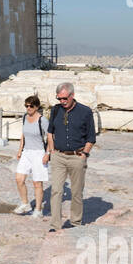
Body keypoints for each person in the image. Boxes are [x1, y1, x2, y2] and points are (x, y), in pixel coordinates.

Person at [47, 82, 96, 230]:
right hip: (58, 157)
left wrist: (84, 155)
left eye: (64, 98)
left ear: (72, 95)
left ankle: (75, 223)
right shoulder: (55, 110)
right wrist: (52, 151)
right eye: (59, 99)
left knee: (76, 192)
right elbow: (50, 132)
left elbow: (91, 137)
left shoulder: (85, 112)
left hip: (77, 157)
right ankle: (55, 225)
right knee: (56, 190)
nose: (62, 101)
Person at [12, 96, 51, 216]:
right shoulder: (24, 117)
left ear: (37, 107)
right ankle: (25, 203)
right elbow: (23, 135)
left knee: (37, 183)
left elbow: (50, 137)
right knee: (19, 179)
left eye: (31, 106)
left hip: (39, 153)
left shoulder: (42, 120)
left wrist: (47, 154)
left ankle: (38, 210)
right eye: (26, 106)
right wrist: (20, 150)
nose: (28, 108)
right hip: (26, 152)